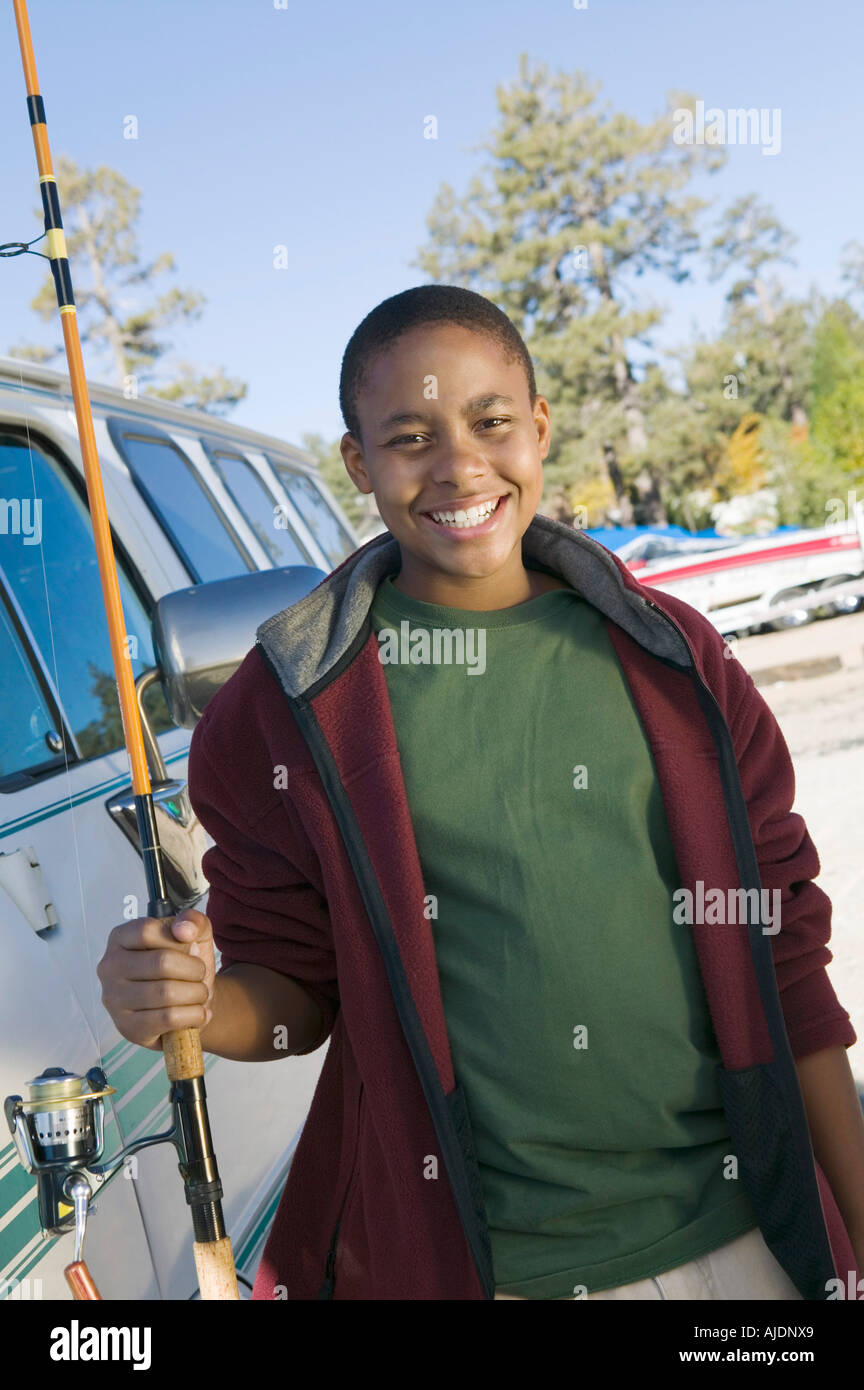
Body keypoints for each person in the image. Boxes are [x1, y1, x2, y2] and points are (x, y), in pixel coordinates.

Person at [97, 284, 864, 1301]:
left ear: (539, 428)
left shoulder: (676, 656)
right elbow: (294, 1001)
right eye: (410, 437)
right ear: (360, 465)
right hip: (501, 1272)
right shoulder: (277, 714)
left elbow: (789, 962)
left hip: (750, 1238)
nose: (459, 465)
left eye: (490, 422)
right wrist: (192, 1008)